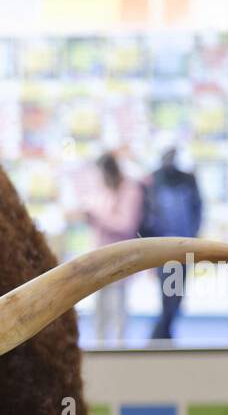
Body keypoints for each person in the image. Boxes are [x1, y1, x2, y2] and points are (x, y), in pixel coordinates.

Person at [141, 146, 203, 340]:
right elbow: (147, 216)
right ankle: (161, 335)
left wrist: (192, 237)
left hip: (185, 246)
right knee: (168, 292)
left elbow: (197, 211)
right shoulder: (154, 181)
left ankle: (163, 333)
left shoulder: (188, 181)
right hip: (162, 248)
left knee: (177, 294)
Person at [83, 152, 143, 343]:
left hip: (120, 260)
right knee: (100, 314)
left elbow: (126, 225)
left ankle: (119, 356)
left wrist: (98, 217)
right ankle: (101, 354)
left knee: (117, 312)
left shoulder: (130, 190)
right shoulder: (105, 190)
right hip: (99, 260)